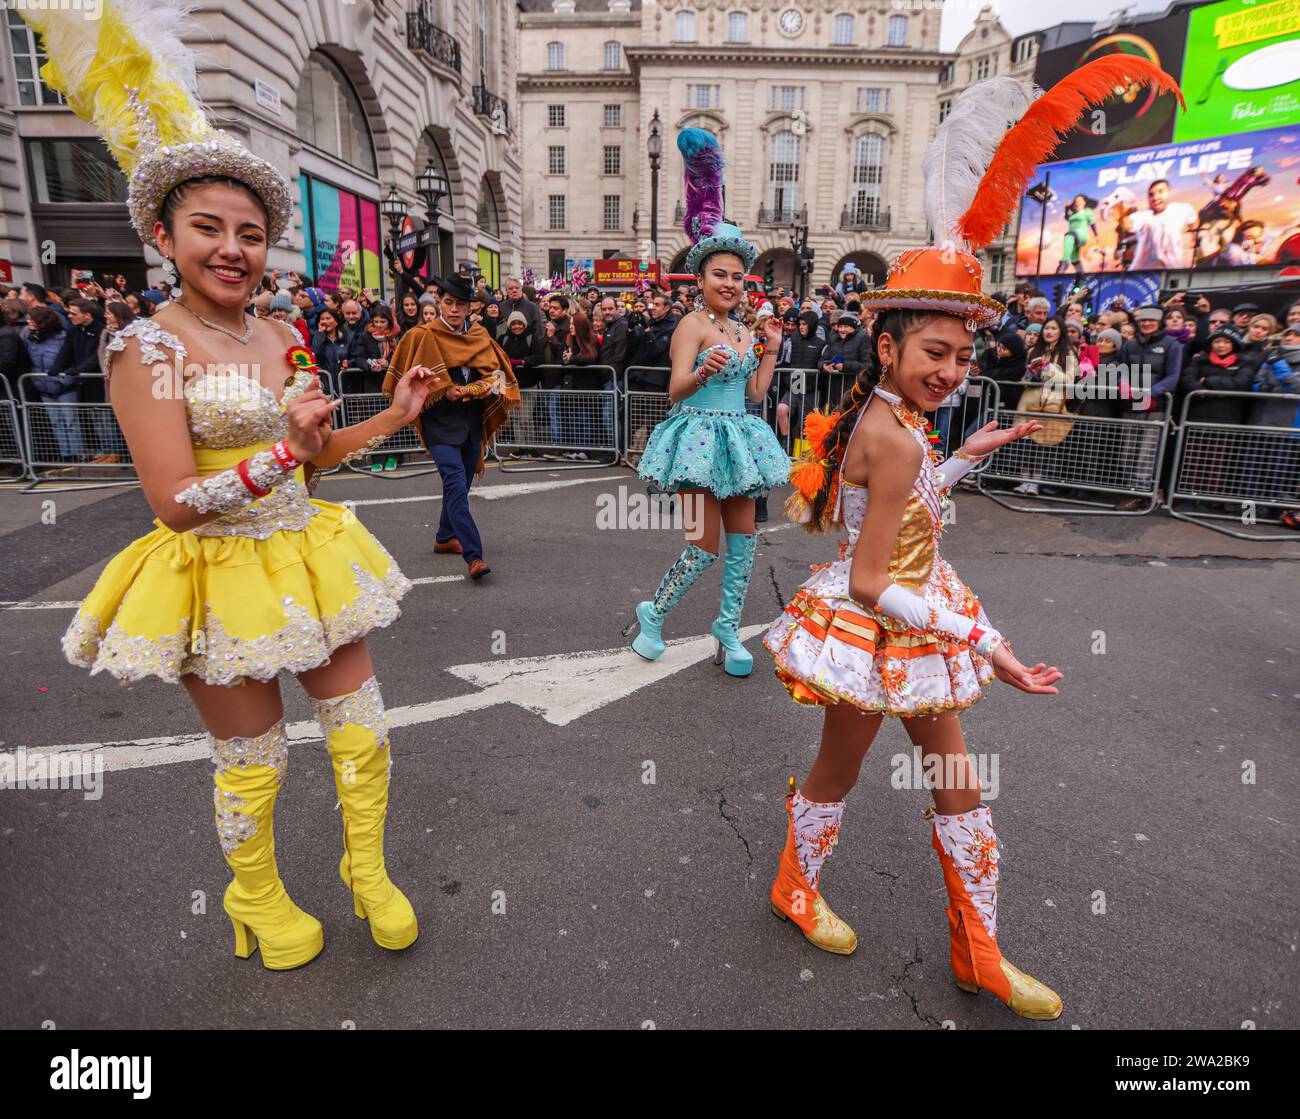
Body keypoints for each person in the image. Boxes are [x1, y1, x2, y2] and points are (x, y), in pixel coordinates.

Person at [25, 0, 446, 971]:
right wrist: (282, 458)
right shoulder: (146, 346)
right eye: (207, 227)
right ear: (164, 236)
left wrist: (389, 417)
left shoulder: (279, 334)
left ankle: (367, 873)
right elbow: (174, 499)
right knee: (254, 762)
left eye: (250, 232)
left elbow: (320, 450)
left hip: (304, 550)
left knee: (362, 735)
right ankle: (252, 897)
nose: (232, 247)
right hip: (213, 572)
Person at [759, 55, 1177, 1020]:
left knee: (951, 783)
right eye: (934, 353)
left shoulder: (898, 421)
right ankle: (807, 890)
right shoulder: (887, 427)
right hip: (889, 627)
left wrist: (971, 451)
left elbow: (897, 506)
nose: (951, 369)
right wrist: (990, 643)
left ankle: (975, 945)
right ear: (890, 346)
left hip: (919, 619)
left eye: (962, 354)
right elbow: (870, 579)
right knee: (850, 767)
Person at [626, 128, 788, 677]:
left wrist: (771, 352)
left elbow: (757, 395)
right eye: (720, 274)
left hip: (739, 436)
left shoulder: (744, 331)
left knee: (745, 545)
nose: (730, 283)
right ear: (701, 278)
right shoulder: (692, 325)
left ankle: (726, 628)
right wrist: (700, 371)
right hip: (697, 438)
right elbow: (673, 390)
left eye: (738, 277)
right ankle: (654, 614)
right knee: (703, 546)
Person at [383, 273, 522, 578]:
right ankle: (475, 556)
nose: (455, 309)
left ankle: (444, 537)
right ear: (440, 304)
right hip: (439, 423)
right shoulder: (423, 335)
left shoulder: (479, 335)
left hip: (470, 422)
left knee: (459, 485)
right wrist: (438, 389)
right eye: (449, 303)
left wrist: (487, 387)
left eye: (461, 304)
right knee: (457, 486)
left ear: (470, 308)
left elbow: (499, 375)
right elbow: (404, 378)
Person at [1128, 180, 1197, 270]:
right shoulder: (1143, 216)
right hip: (1143, 274)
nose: (1155, 197)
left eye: (1160, 192)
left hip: (1174, 270)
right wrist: (1120, 215)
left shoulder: (1182, 209)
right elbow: (1129, 225)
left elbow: (1193, 220)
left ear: (1169, 192)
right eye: (1151, 194)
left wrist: (1194, 239)